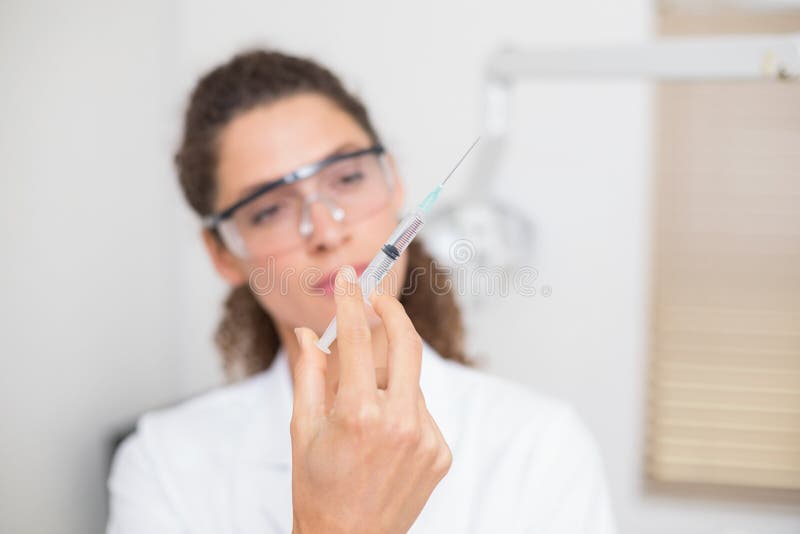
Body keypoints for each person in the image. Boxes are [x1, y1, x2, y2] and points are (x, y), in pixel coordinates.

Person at [106, 49, 616, 534]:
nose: (326, 230)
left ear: (394, 181)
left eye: (347, 178)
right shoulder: (164, 462)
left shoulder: (539, 445)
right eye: (269, 209)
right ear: (222, 253)